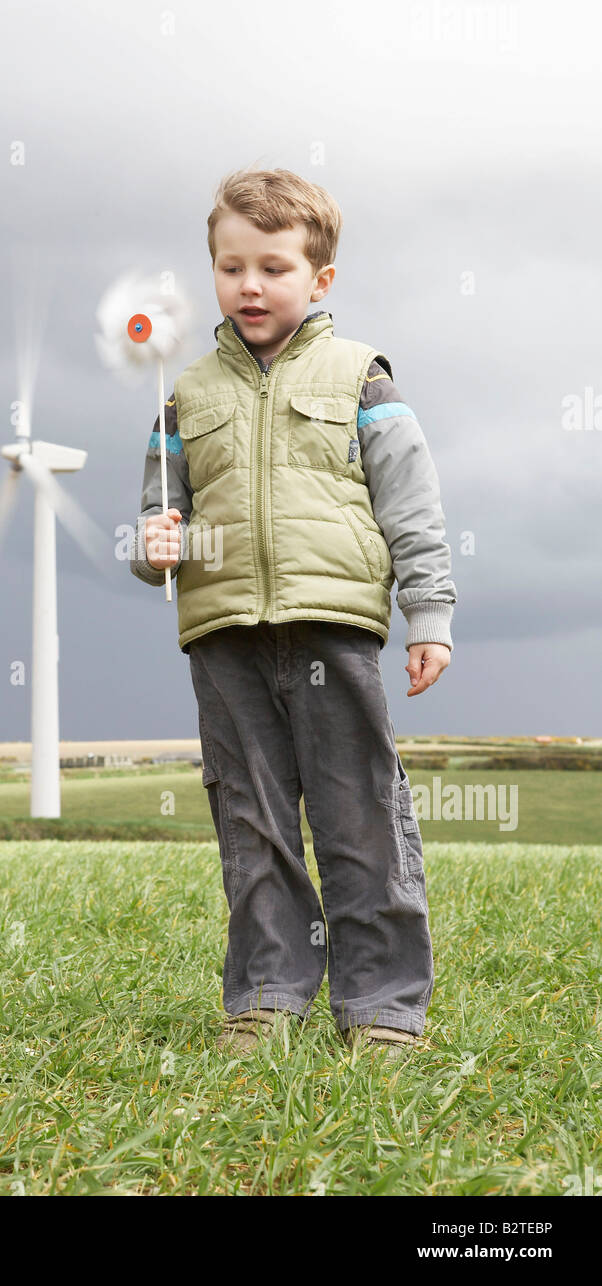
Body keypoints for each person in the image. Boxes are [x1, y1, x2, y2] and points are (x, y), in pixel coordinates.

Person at [129, 167, 456, 1058]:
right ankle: (269, 998)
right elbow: (160, 526)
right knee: (253, 821)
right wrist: (155, 545)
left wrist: (429, 612)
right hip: (226, 636)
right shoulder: (183, 395)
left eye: (273, 267)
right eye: (231, 267)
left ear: (320, 280)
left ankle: (383, 1009)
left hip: (333, 626)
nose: (250, 285)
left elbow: (411, 507)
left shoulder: (362, 378)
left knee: (359, 817)